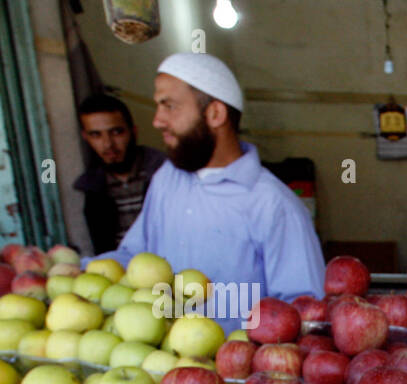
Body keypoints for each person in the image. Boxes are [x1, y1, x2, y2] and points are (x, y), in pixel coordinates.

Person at [101, 53, 325, 326]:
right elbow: (134, 256)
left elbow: (304, 314)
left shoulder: (274, 205)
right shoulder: (167, 179)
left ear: (215, 114)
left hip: (235, 366)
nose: (157, 120)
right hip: (158, 361)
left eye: (169, 106)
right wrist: (75, 269)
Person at [72, 93, 167, 254]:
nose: (108, 144)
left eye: (116, 132)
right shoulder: (90, 189)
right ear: (86, 138)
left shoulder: (166, 174)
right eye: (96, 135)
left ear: (133, 132)